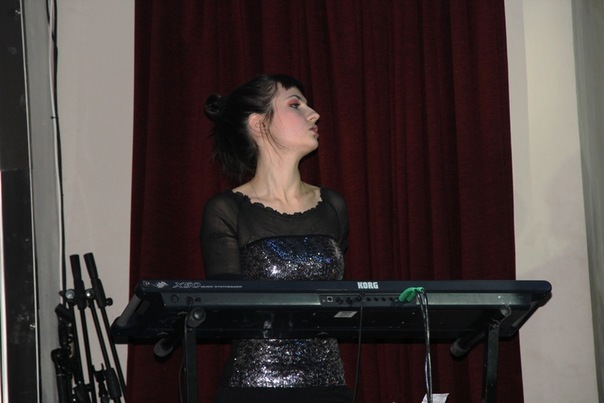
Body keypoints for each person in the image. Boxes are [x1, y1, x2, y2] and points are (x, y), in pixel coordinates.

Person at [201, 74, 353, 403]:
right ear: (259, 124)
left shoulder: (333, 206)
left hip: (329, 388)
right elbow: (228, 310)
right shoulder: (227, 210)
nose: (314, 114)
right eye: (296, 105)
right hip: (253, 388)